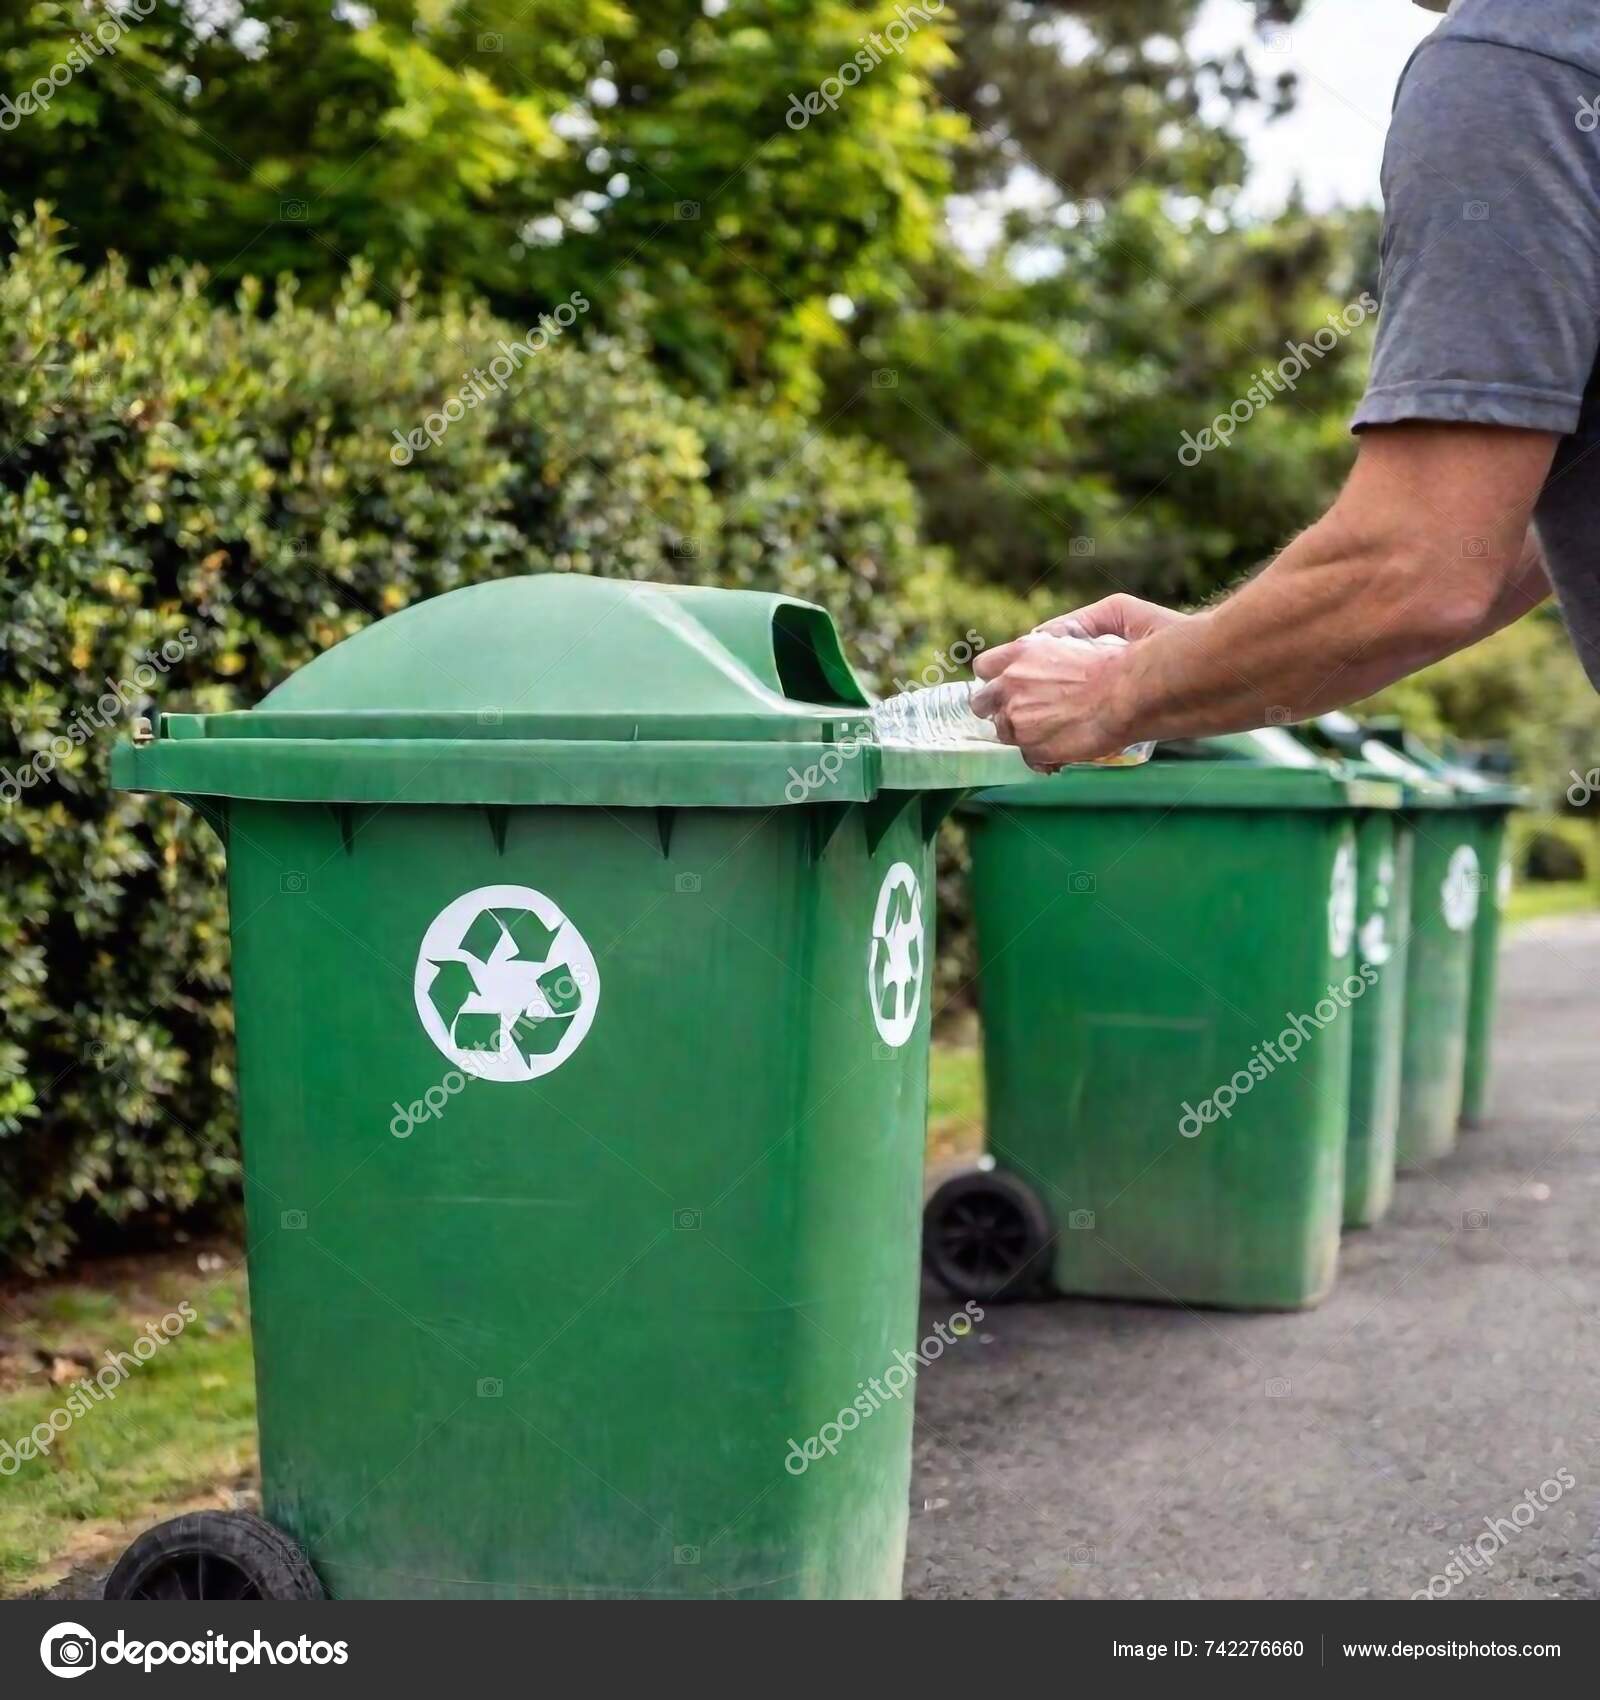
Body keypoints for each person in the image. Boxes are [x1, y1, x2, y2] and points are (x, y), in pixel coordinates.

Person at [972, 0, 1600, 769]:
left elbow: (1416, 564)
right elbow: (1505, 524)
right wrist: (1207, 653)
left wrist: (1116, 693)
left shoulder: (1513, 60)